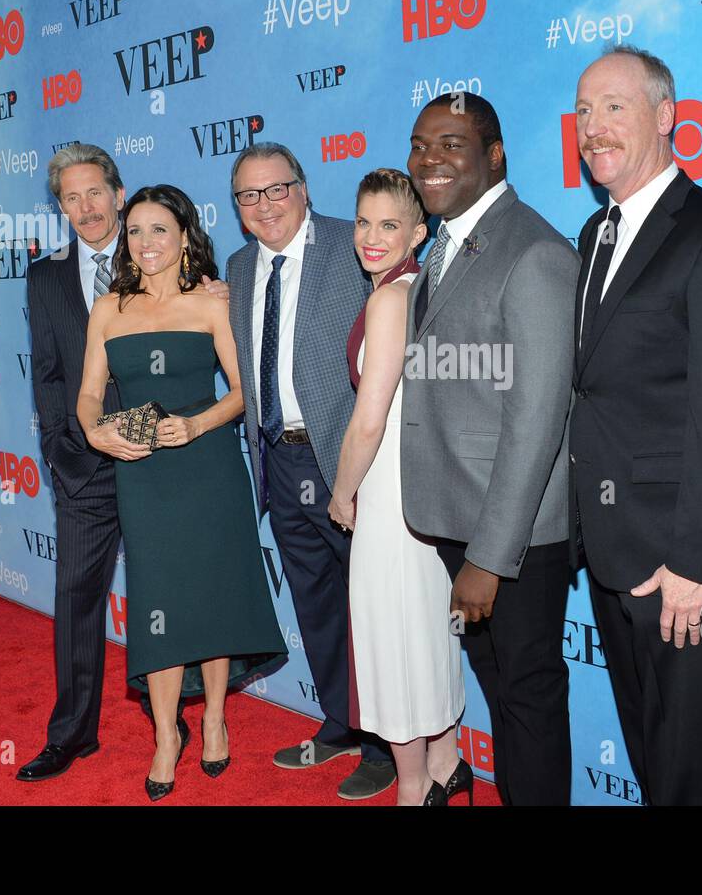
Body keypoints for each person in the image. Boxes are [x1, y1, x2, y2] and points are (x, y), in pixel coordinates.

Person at [569, 46, 702, 805]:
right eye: (584, 111)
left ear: (666, 117)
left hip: (684, 567)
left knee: (685, 778)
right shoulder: (594, 237)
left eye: (614, 107)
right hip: (613, 550)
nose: (593, 128)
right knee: (656, 769)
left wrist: (698, 566)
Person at [20, 144, 224, 783]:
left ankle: (182, 714)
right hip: (86, 467)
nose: (84, 208)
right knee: (77, 597)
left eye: (93, 193)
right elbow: (51, 375)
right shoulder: (45, 276)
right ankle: (72, 735)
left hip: (166, 465)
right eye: (69, 198)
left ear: (116, 191)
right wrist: (63, 449)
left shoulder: (159, 258)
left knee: (176, 590)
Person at [76, 184, 284, 801]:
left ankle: (214, 716)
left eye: (159, 229)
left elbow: (247, 392)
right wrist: (94, 431)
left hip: (210, 464)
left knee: (210, 592)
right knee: (158, 600)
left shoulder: (211, 302)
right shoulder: (109, 307)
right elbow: (90, 391)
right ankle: (167, 734)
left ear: (186, 235)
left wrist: (196, 424)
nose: (146, 243)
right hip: (142, 469)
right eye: (135, 231)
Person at [402, 92, 578, 806]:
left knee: (527, 694)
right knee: (502, 687)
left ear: (495, 153)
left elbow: (537, 419)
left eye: (450, 143)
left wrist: (488, 556)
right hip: (457, 517)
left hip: (512, 538)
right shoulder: (446, 242)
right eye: (419, 145)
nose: (430, 160)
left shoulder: (532, 249)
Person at [224, 143, 397, 801]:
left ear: (303, 189)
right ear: (237, 209)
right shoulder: (240, 268)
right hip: (277, 459)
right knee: (317, 604)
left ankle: (387, 740)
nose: (265, 204)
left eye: (277, 189)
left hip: (345, 459)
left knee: (369, 608)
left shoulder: (348, 246)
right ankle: (342, 720)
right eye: (249, 195)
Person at [329, 168, 466, 806]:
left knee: (394, 638)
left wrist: (340, 492)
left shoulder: (390, 299)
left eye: (389, 225)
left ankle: (413, 790)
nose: (372, 237)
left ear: (420, 229)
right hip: (428, 493)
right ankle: (447, 764)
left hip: (388, 492)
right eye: (363, 222)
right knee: (427, 632)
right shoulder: (432, 285)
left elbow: (370, 418)